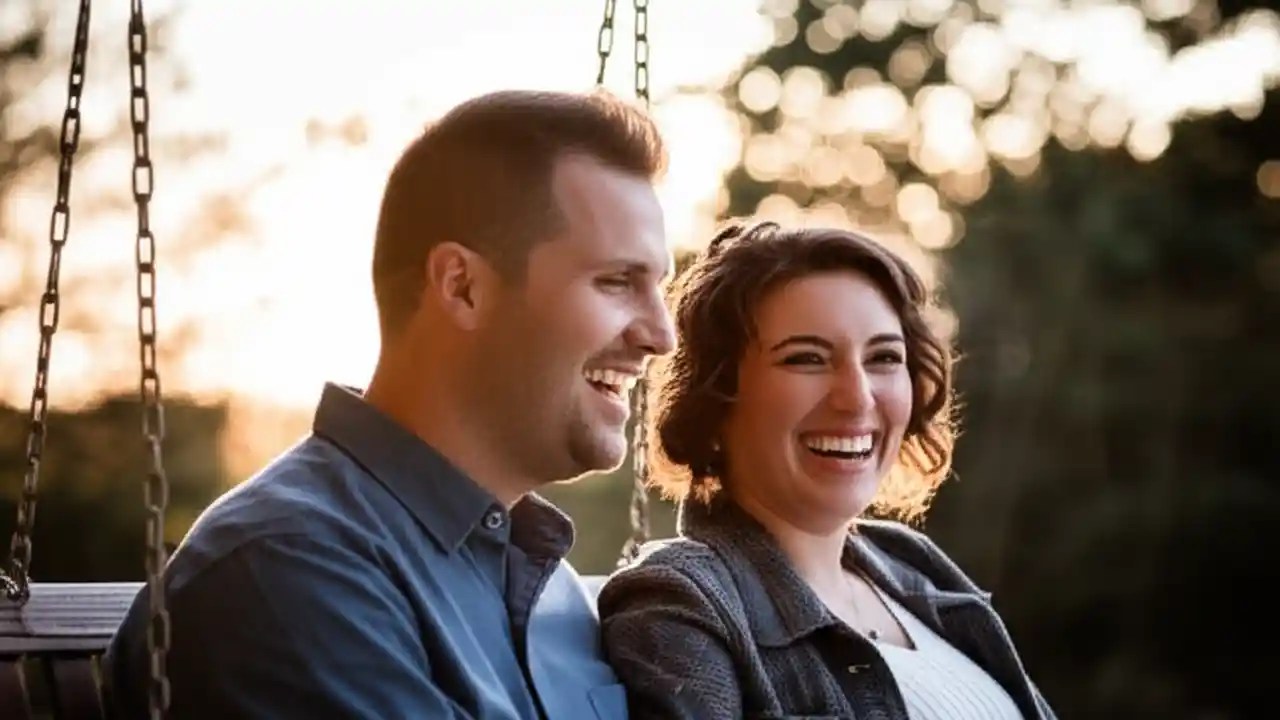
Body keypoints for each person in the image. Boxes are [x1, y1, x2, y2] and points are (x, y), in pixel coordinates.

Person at [105, 88, 675, 719]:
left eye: (660, 287)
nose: (661, 334)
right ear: (462, 288)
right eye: (617, 282)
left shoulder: (544, 586)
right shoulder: (288, 571)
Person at [598, 221, 1057, 719]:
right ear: (716, 399)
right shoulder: (681, 603)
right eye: (807, 359)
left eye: (883, 357)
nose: (857, 397)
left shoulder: (911, 563)